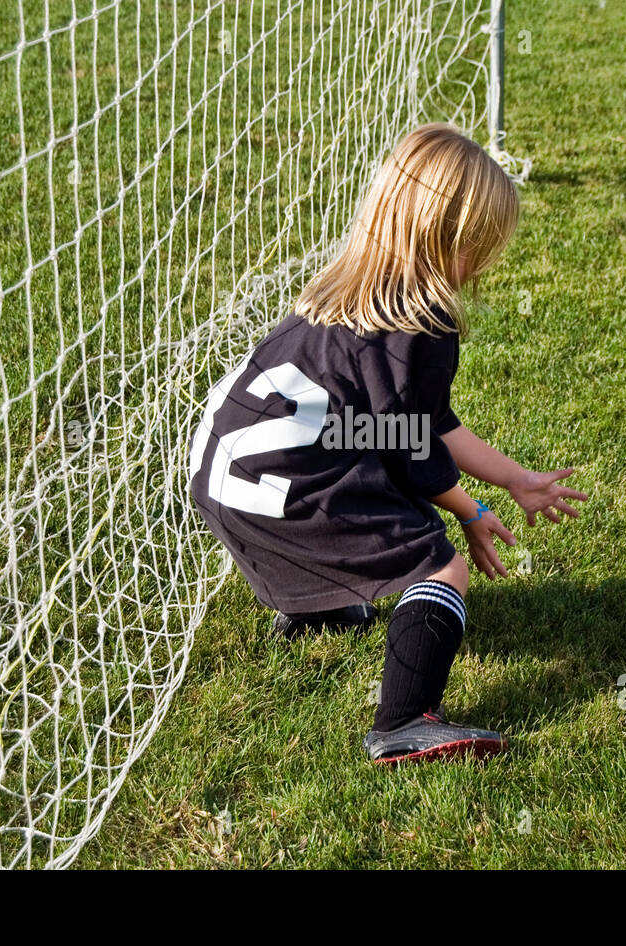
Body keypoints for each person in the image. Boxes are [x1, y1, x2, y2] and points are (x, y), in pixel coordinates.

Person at [188, 122, 586, 763]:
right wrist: (472, 512)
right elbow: (411, 449)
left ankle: (314, 609)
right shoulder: (419, 326)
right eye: (480, 246)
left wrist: (512, 477)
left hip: (219, 475)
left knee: (358, 504)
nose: (484, 263)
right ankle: (402, 722)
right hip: (292, 487)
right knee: (438, 566)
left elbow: (427, 421)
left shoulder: (335, 296)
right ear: (451, 239)